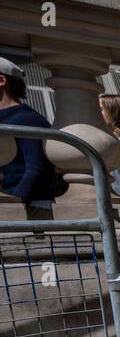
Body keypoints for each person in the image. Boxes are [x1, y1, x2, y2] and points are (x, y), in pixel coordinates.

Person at [0, 55, 64, 219]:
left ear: (1, 80)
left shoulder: (28, 119)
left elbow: (35, 167)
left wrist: (14, 201)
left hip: (29, 207)